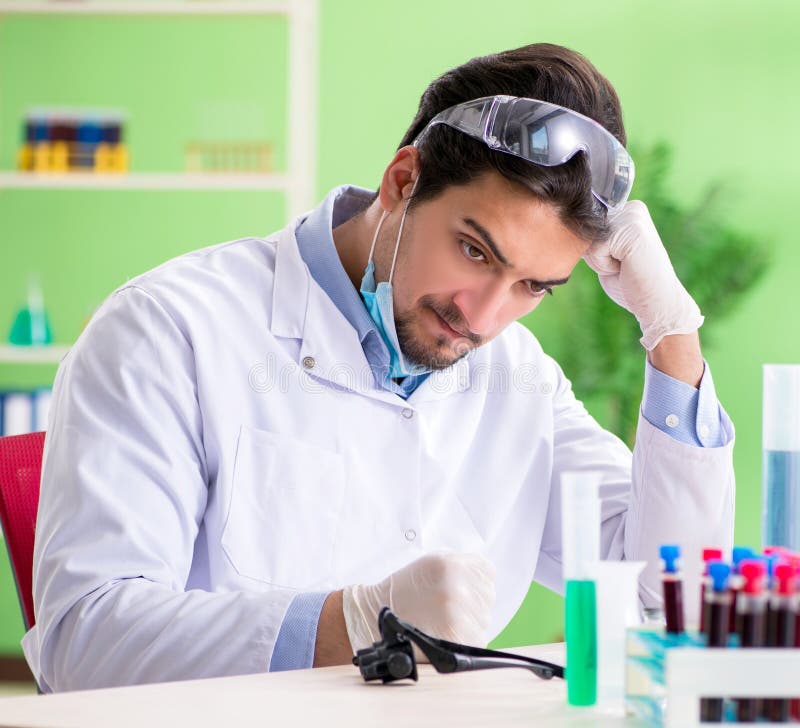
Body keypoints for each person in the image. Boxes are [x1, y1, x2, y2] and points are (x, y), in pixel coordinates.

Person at [23, 43, 734, 692]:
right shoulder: (168, 329)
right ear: (402, 180)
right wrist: (356, 623)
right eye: (476, 251)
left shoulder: (518, 375)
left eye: (532, 287)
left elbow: (663, 598)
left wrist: (672, 333)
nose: (483, 317)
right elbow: (83, 640)